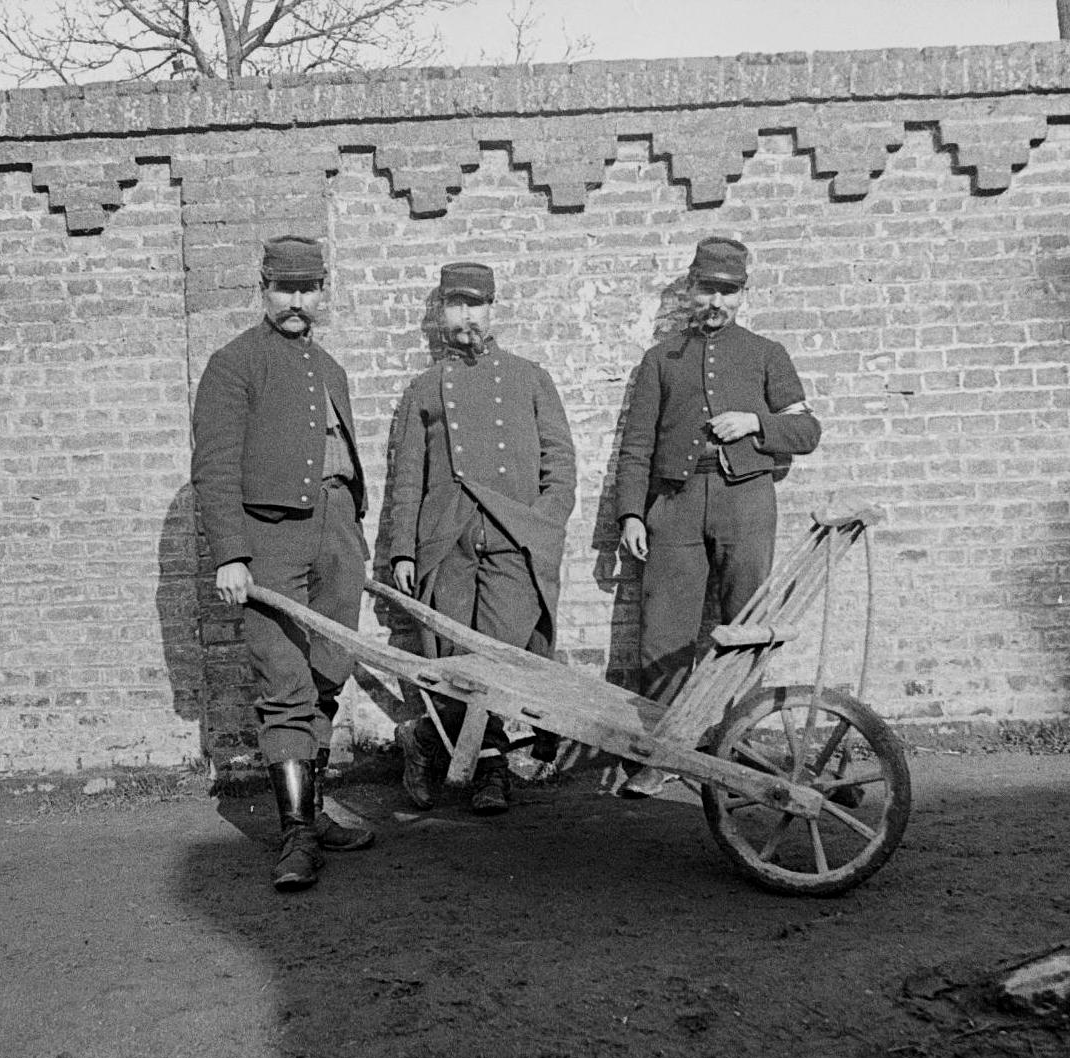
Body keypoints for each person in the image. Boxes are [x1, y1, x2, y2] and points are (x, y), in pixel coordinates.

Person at [191, 234, 375, 891]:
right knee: (285, 681)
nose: (297, 302)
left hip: (338, 533)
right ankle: (296, 835)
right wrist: (231, 555)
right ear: (263, 290)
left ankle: (314, 813)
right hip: (271, 542)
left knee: (329, 670)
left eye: (308, 290)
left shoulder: (330, 369)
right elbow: (215, 467)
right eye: (284, 289)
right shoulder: (233, 364)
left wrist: (352, 533)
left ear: (323, 292)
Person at [614, 236, 822, 797]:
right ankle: (659, 754)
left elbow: (807, 431)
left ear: (742, 295)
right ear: (690, 290)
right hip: (675, 506)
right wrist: (631, 514)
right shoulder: (660, 360)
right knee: (663, 634)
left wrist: (755, 423)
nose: (716, 302)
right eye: (707, 289)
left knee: (746, 627)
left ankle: (737, 750)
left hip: (745, 502)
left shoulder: (766, 354)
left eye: (728, 292)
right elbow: (636, 446)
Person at [388, 262, 577, 815]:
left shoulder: (529, 378)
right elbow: (407, 479)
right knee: (453, 658)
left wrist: (542, 525)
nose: (466, 317)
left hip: (513, 538)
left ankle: (424, 738)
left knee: (502, 653)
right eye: (456, 305)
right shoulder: (424, 389)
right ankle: (490, 769)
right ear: (441, 315)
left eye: (475, 305)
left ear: (492, 310)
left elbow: (560, 463)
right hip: (446, 539)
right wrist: (402, 549)